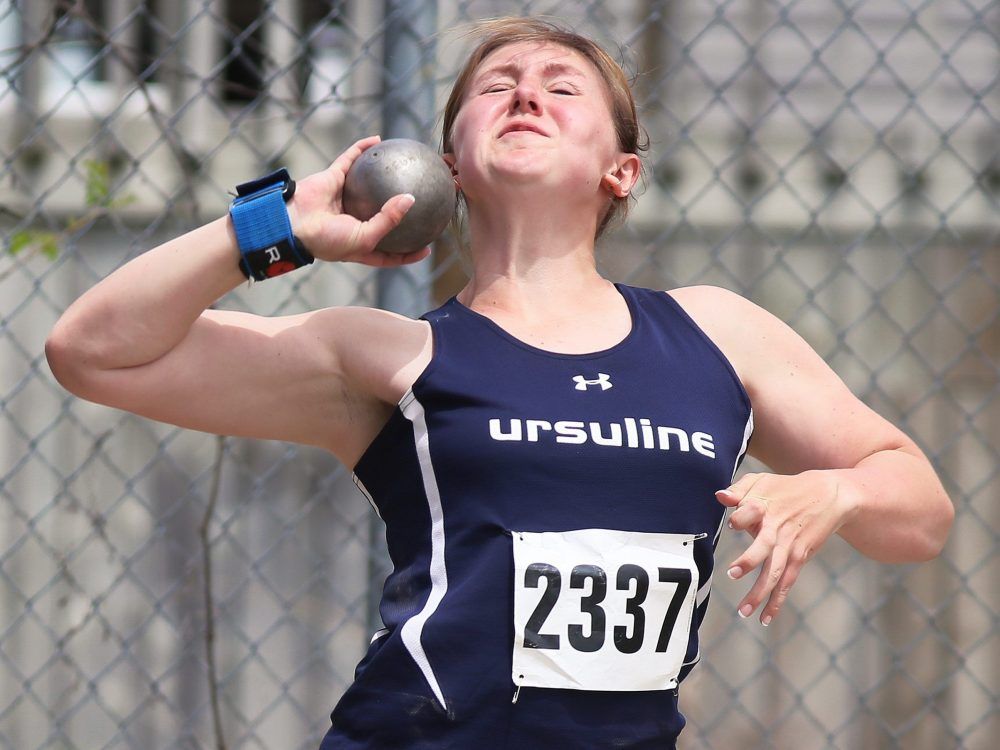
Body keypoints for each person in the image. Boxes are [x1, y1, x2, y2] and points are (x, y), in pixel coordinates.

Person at [46, 16, 953, 750]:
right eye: (495, 88)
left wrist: (836, 490)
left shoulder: (715, 331)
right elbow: (91, 351)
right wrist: (275, 227)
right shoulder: (389, 353)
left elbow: (919, 512)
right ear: (448, 166)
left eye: (562, 89)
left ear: (621, 171)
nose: (526, 91)